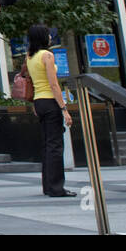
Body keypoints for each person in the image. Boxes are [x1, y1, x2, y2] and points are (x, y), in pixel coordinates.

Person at [27, 24, 77, 197]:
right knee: (55, 145)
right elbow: (53, 84)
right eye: (48, 35)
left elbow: (32, 82)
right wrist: (64, 108)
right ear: (43, 37)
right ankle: (57, 187)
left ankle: (48, 185)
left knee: (47, 145)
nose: (50, 37)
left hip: (39, 102)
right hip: (50, 101)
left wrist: (33, 103)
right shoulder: (47, 56)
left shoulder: (30, 56)